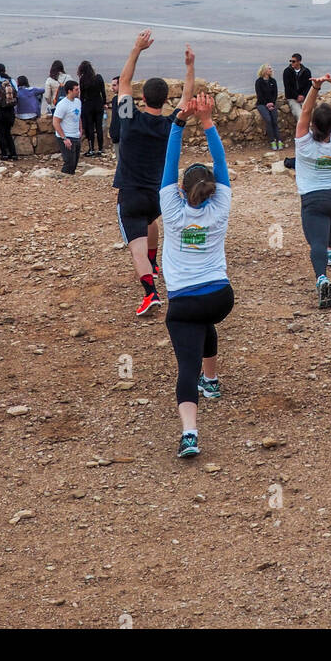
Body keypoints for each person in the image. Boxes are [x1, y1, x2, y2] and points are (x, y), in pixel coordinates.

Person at [159, 92, 233, 459]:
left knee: (185, 365)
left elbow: (169, 162)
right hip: (221, 297)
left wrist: (179, 121)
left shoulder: (170, 208)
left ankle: (190, 434)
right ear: (213, 187)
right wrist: (206, 121)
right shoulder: (221, 205)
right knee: (205, 323)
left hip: (185, 301)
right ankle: (213, 381)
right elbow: (221, 161)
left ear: (181, 189)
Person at [114, 31, 194, 316]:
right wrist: (189, 67)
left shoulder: (129, 119)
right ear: (165, 99)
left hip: (131, 194)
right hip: (159, 195)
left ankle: (150, 293)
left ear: (143, 97)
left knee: (135, 241)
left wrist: (137, 49)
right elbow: (186, 99)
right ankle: (155, 263)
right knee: (151, 222)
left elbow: (123, 82)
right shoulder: (172, 125)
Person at [294, 72, 331, 308]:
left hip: (315, 200)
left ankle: (321, 277)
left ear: (313, 125)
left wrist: (315, 88)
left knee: (315, 240)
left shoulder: (304, 143)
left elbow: (305, 113)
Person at [0, 65, 18, 161]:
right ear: (5, 70)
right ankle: (13, 154)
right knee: (8, 132)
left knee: (1, 133)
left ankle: (4, 154)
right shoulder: (12, 82)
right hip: (10, 111)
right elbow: (16, 94)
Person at [53, 79, 82, 176]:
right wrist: (64, 138)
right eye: (76, 90)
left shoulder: (78, 102)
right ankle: (63, 180)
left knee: (74, 163)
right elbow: (56, 122)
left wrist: (80, 130)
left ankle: (70, 180)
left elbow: (78, 117)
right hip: (67, 137)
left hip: (76, 135)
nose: (78, 91)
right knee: (69, 162)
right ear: (69, 91)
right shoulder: (62, 105)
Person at [78, 60, 107, 157]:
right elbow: (103, 92)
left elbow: (82, 95)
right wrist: (104, 103)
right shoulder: (98, 77)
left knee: (90, 127)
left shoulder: (83, 79)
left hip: (88, 105)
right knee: (99, 127)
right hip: (98, 104)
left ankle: (91, 149)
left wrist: (81, 105)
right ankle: (100, 149)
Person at [255, 64, 283, 150]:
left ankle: (279, 140)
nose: (271, 70)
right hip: (261, 104)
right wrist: (267, 104)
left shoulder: (273, 81)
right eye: (269, 69)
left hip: (272, 104)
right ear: (264, 70)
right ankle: (272, 141)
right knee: (268, 119)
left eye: (271, 68)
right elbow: (259, 95)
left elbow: (275, 94)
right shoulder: (259, 81)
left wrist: (272, 103)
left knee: (274, 120)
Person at [283, 52, 313, 123]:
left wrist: (303, 95)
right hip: (292, 98)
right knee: (299, 115)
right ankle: (302, 133)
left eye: (293, 61)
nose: (291, 63)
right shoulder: (287, 71)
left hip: (304, 97)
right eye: (291, 61)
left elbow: (309, 85)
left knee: (310, 114)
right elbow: (287, 87)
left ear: (299, 61)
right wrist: (296, 96)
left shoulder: (306, 71)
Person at [108, 76, 121, 162]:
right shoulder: (115, 99)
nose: (112, 88)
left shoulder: (120, 100)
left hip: (120, 136)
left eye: (114, 85)